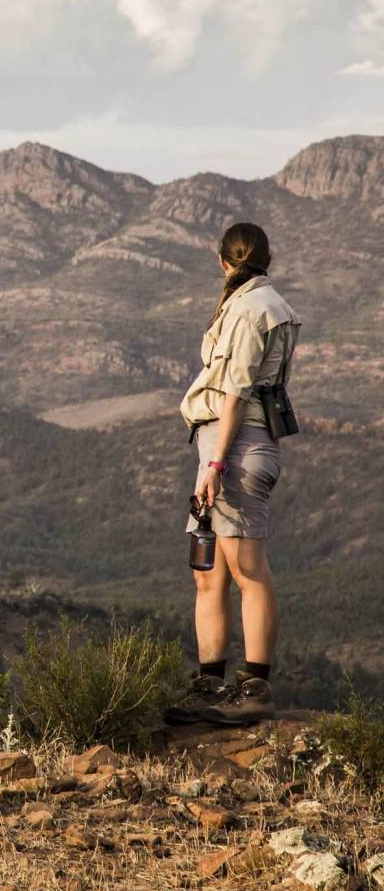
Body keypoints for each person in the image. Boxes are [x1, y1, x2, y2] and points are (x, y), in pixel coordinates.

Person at [165, 222, 300, 727]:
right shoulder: (266, 303)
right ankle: (210, 685)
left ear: (222, 260)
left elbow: (236, 393)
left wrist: (216, 465)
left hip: (235, 449)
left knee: (247, 570)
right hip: (227, 447)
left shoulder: (248, 309)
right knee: (210, 574)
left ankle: (254, 688)